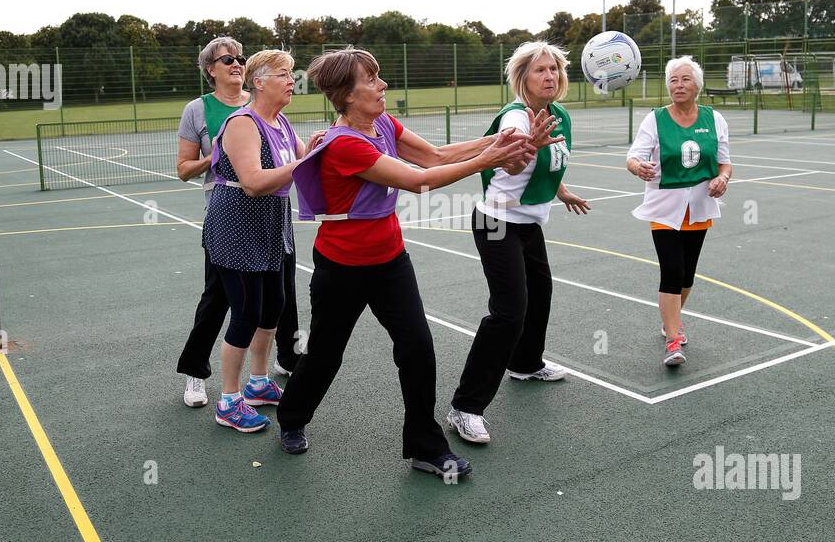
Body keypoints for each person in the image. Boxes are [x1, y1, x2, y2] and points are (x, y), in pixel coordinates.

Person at [276, 47, 530, 478]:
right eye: (371, 80)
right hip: (342, 268)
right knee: (325, 354)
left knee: (417, 349)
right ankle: (291, 417)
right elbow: (421, 181)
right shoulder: (344, 145)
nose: (383, 85)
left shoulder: (383, 124)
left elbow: (433, 156)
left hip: (390, 260)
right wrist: (491, 158)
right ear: (347, 95)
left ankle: (425, 446)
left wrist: (499, 141)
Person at [444, 41, 588, 446]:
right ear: (522, 78)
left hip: (527, 223)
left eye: (554, 70)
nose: (549, 76)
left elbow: (551, 164)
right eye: (540, 70)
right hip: (496, 221)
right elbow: (510, 162)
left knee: (540, 293)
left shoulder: (558, 116)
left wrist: (562, 192)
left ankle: (525, 364)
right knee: (509, 313)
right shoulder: (516, 119)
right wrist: (526, 148)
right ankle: (465, 407)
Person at [175, 37, 303, 409]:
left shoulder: (271, 113)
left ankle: (268, 373)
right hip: (232, 219)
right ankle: (199, 376)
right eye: (227, 59)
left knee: (277, 301)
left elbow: (297, 155)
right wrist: (215, 154)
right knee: (223, 303)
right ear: (210, 70)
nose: (236, 63)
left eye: (240, 58)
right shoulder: (203, 111)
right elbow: (187, 169)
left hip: (272, 217)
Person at [625, 55, 731, 368]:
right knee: (671, 272)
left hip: (699, 207)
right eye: (673, 79)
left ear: (697, 85)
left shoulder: (714, 119)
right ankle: (673, 340)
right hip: (665, 208)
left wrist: (722, 178)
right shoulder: (655, 119)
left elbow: (724, 161)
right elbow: (633, 157)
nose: (678, 85)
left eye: (685, 79)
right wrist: (638, 167)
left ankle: (670, 319)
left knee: (687, 276)